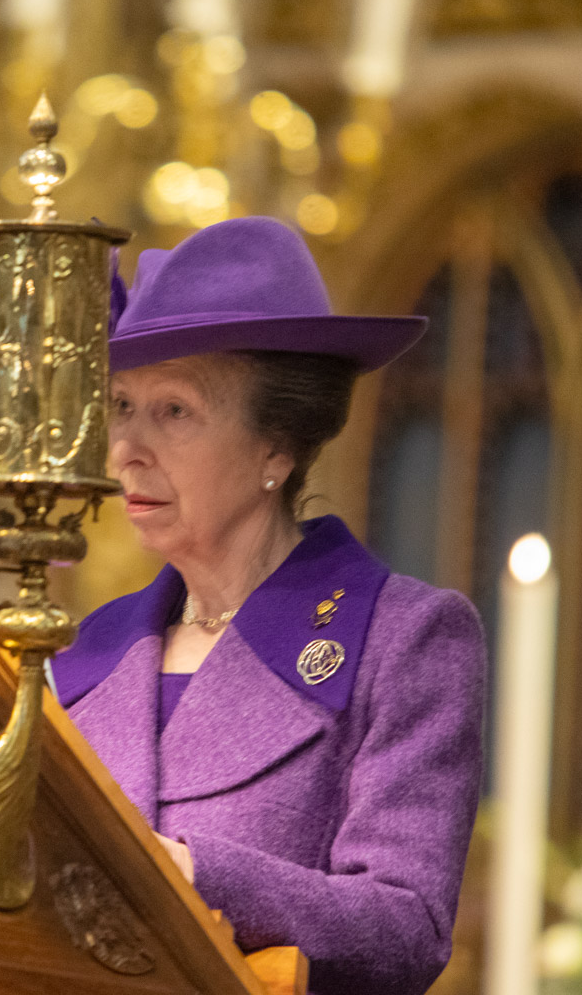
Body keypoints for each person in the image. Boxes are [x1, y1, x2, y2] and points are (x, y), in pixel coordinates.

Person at [49, 216, 485, 995]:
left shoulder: (405, 638)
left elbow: (406, 928)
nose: (125, 450)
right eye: (120, 406)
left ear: (275, 450)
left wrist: (194, 873)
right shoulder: (79, 655)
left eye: (173, 411)